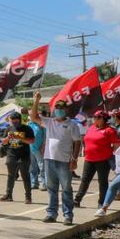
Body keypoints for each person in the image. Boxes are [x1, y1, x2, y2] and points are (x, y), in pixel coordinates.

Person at [30, 92, 81, 225]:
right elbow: (33, 117)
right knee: (51, 189)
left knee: (66, 189)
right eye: (57, 108)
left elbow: (77, 143)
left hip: (64, 162)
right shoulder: (49, 122)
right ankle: (51, 214)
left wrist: (74, 160)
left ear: (66, 110)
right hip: (49, 160)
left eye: (61, 108)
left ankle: (68, 215)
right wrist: (36, 101)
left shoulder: (72, 124)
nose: (58, 110)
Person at [75, 110, 119, 208]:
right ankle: (77, 200)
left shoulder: (110, 130)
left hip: (103, 161)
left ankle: (101, 203)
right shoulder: (91, 128)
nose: (95, 119)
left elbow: (116, 145)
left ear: (104, 119)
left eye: (98, 117)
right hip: (89, 159)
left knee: (102, 182)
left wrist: (111, 153)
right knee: (85, 180)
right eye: (95, 117)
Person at [1, 111, 35, 204]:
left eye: (16, 121)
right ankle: (8, 195)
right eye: (12, 121)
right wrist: (8, 138)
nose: (14, 123)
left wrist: (20, 138)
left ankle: (28, 197)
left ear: (19, 120)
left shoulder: (27, 128)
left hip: (24, 155)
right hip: (11, 154)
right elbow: (3, 142)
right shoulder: (9, 128)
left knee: (25, 176)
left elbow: (32, 141)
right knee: (11, 175)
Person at [95, 142, 120, 216]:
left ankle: (103, 209)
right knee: (113, 187)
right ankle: (103, 209)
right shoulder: (116, 150)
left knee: (113, 186)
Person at [28, 116, 47, 192]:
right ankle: (34, 183)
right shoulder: (29, 124)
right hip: (30, 148)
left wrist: (43, 146)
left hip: (39, 149)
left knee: (42, 167)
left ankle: (44, 184)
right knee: (32, 167)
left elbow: (46, 137)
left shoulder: (42, 125)